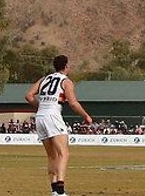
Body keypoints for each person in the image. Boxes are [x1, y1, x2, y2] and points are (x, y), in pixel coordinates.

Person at [25, 55, 93, 196]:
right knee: (64, 153)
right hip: (53, 115)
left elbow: (29, 96)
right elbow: (73, 103)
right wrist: (86, 116)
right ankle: (61, 190)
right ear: (66, 66)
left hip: (40, 117)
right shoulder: (66, 81)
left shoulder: (44, 79)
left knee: (52, 156)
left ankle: (55, 190)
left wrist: (41, 106)